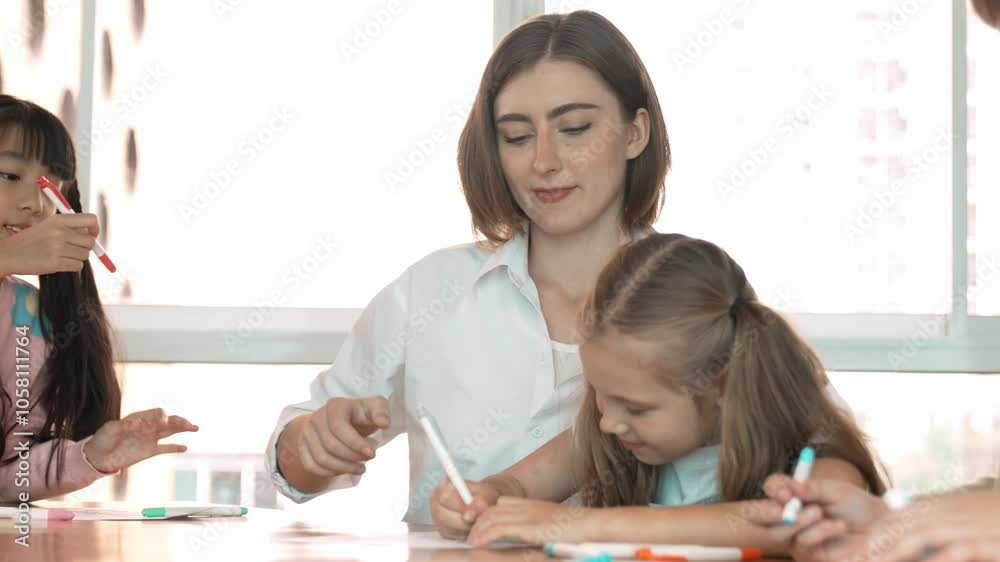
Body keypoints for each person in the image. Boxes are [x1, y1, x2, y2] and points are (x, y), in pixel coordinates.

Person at [265, 10, 671, 523]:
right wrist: (314, 443)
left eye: (574, 129)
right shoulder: (430, 291)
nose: (544, 161)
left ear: (635, 133)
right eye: (517, 136)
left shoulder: (694, 296)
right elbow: (291, 469)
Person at [430, 233, 886, 554]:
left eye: (636, 407)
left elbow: (792, 526)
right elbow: (514, 488)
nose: (608, 421)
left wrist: (579, 524)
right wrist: (481, 497)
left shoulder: (818, 462)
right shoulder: (611, 438)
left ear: (722, 386)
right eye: (600, 393)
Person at [0, 94, 198, 501]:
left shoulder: (31, 319)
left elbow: (6, 477)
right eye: (9, 175)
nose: (34, 205)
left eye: (51, 190)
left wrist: (88, 457)